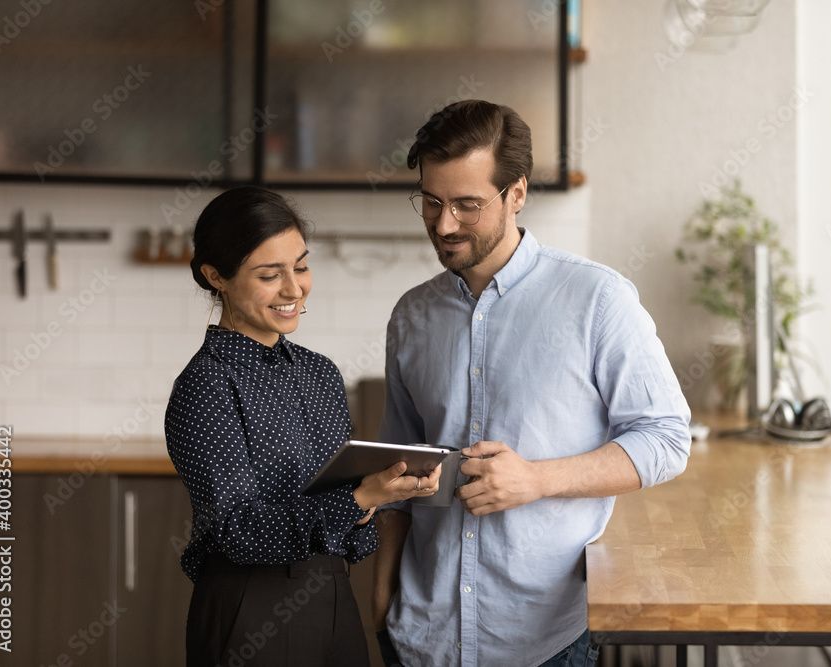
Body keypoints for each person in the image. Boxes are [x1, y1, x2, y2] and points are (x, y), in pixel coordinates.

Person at [372, 100, 692, 667]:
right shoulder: (411, 316)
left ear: (516, 194)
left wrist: (538, 480)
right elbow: (399, 467)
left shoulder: (598, 300)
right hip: (421, 638)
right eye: (431, 200)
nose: (443, 224)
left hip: (541, 643)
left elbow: (666, 438)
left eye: (467, 205)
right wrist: (382, 592)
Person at [165, 186, 442, 667]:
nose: (293, 289)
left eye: (301, 266)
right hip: (246, 610)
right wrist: (361, 499)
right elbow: (236, 530)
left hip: (332, 599)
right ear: (217, 277)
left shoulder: (320, 374)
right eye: (270, 275)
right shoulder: (207, 383)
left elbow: (348, 534)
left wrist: (376, 497)